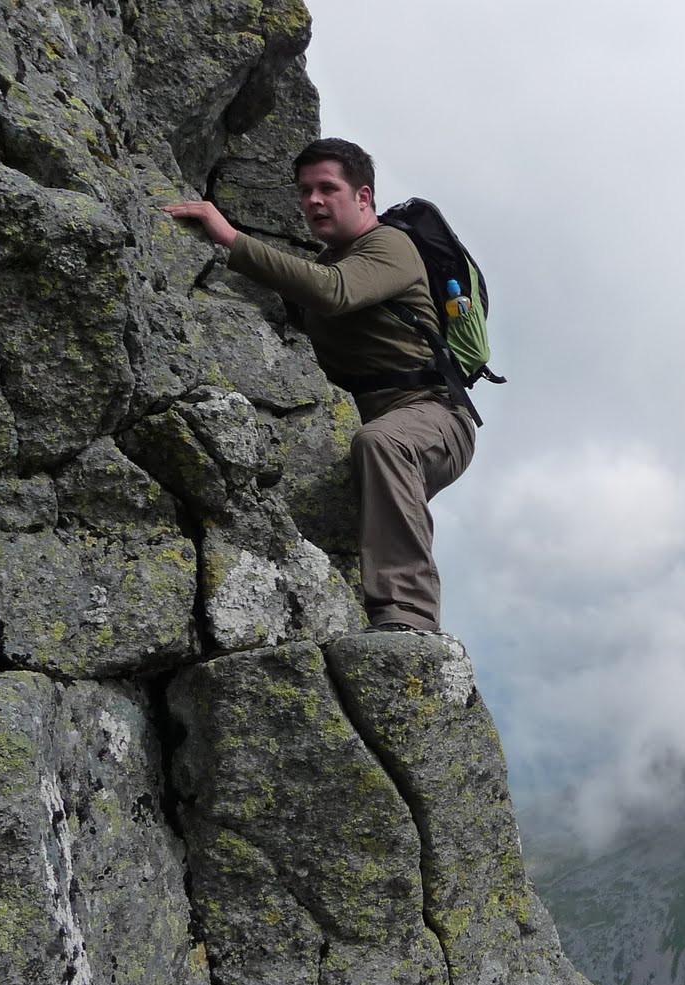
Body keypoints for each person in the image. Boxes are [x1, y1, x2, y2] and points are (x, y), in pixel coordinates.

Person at [162, 138, 475, 634]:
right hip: (370, 420)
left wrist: (231, 238)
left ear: (364, 198)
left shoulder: (390, 246)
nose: (313, 201)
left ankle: (409, 618)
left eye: (328, 188)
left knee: (382, 444)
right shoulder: (327, 262)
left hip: (434, 416)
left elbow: (334, 293)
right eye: (305, 191)